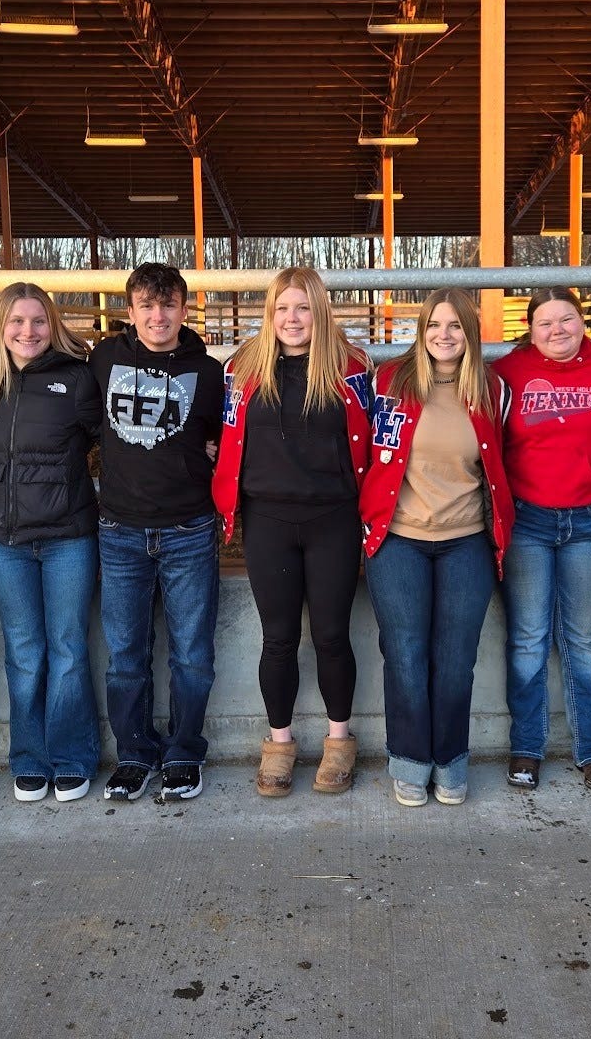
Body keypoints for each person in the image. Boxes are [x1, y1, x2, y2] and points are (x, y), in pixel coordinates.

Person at [213, 266, 372, 797]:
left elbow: (377, 438)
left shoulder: (352, 369)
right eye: (282, 308)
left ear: (320, 311)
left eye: (303, 307)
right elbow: (226, 436)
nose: (292, 318)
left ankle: (338, 741)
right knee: (278, 638)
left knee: (330, 635)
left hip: (334, 517)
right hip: (268, 519)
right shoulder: (243, 367)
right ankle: (279, 743)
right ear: (270, 313)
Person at [360, 289, 515, 807]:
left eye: (454, 326)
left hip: (466, 541)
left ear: (469, 333)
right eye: (433, 325)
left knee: (455, 659)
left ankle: (450, 760)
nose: (443, 336)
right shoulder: (389, 382)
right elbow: (361, 448)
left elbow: (505, 465)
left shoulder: (493, 390)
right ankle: (409, 760)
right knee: (404, 653)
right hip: (398, 537)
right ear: (420, 331)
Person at [491, 287, 591, 791]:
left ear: (583, 322)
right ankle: (526, 747)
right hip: (529, 521)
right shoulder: (509, 372)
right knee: (529, 641)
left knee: (584, 642)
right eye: (546, 323)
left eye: (567, 320)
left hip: (590, 523)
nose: (558, 330)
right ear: (530, 331)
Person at [89, 264, 225, 804]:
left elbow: (223, 439)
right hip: (120, 529)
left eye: (168, 305)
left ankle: (185, 752)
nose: (158, 316)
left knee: (191, 653)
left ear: (185, 310)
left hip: (189, 528)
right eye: (147, 305)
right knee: (126, 653)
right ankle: (135, 754)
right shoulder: (105, 360)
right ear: (130, 311)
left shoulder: (208, 372)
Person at [0, 283, 103, 805]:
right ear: (0, 329)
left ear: (53, 326)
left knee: (69, 650)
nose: (27, 332)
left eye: (38, 322)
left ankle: (72, 758)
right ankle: (29, 759)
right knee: (24, 653)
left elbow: (112, 442)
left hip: (67, 539)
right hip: (5, 544)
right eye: (16, 322)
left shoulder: (76, 380)